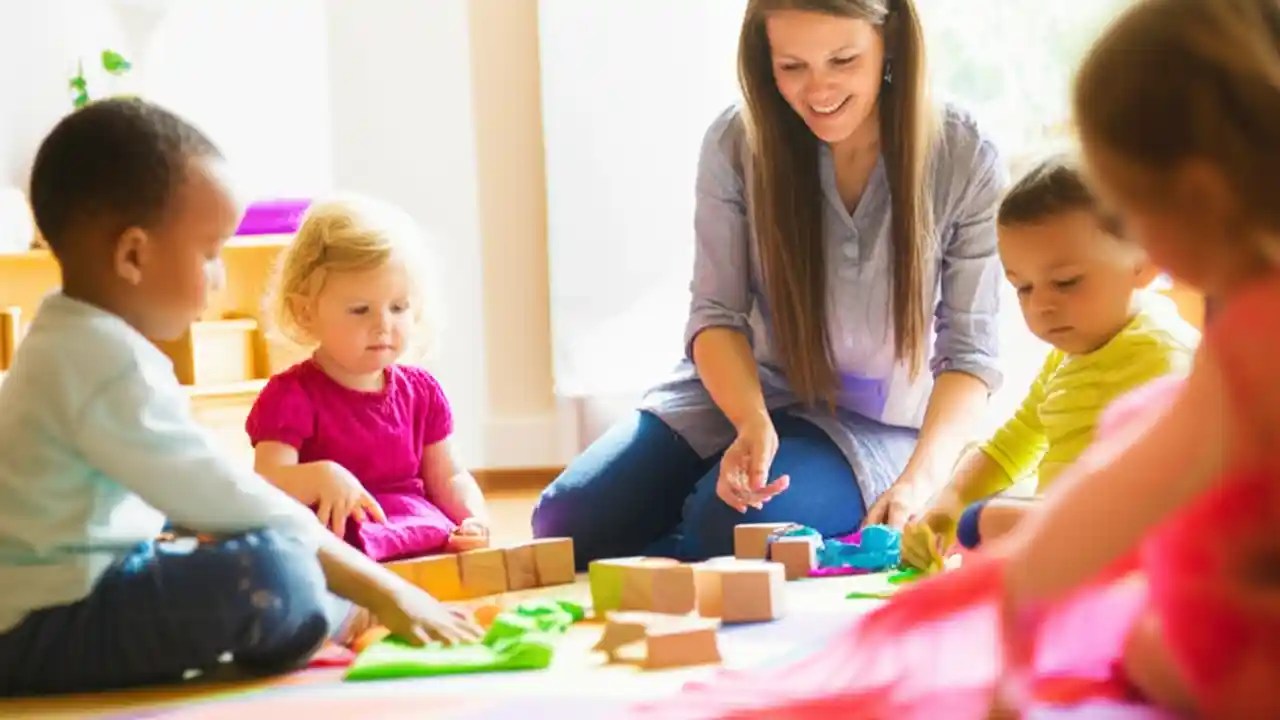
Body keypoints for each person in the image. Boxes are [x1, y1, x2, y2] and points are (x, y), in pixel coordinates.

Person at [625, 0, 1280, 716]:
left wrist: (1017, 603)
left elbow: (1114, 499)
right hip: (777, 411)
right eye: (793, 66)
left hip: (1241, 633)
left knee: (1137, 638)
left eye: (1130, 210)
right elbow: (1036, 448)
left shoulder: (1238, 348)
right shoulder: (738, 142)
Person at [0, 98, 481, 696]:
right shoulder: (102, 364)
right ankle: (348, 614)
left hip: (60, 604)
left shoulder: (72, 340)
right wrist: (388, 592)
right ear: (132, 255)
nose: (221, 275)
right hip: (48, 627)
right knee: (275, 566)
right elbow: (238, 499)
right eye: (209, 253)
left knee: (273, 549)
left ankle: (333, 605)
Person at [534, 0, 1006, 565]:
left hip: (870, 424)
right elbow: (715, 314)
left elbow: (969, 353)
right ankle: (697, 516)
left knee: (720, 532)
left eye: (842, 60)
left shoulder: (963, 153)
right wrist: (749, 420)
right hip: (741, 393)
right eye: (792, 67)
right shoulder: (736, 141)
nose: (819, 90)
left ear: (890, 46)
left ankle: (705, 525)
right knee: (565, 522)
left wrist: (919, 481)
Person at [901, 155, 1200, 568]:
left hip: (1141, 548)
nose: (1040, 306)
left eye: (1066, 282)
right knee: (978, 526)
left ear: (1142, 263)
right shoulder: (1065, 358)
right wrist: (944, 509)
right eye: (1022, 288)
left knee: (986, 525)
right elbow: (1010, 447)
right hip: (1070, 542)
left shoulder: (1168, 356)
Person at [247, 196, 491, 562]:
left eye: (398, 307)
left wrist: (474, 519)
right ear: (306, 311)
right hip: (339, 531)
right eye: (360, 310)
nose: (383, 325)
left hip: (414, 522)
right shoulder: (291, 395)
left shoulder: (421, 392)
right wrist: (321, 476)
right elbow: (266, 481)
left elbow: (449, 477)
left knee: (442, 539)